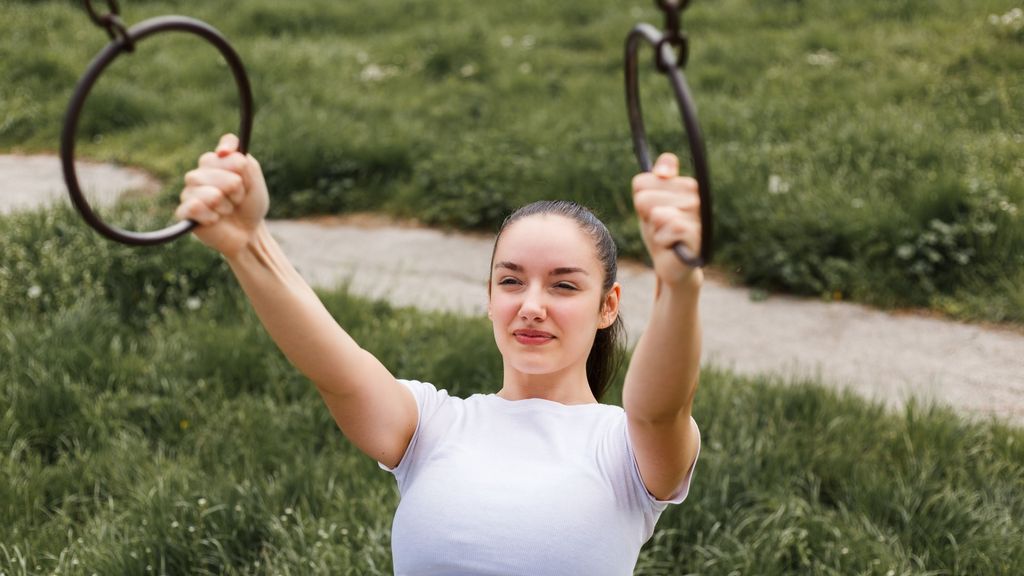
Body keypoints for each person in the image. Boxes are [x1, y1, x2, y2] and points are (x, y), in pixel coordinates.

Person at [175, 134, 703, 575]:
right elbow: (335, 370)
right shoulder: (432, 425)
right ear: (489, 298)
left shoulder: (623, 448)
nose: (532, 306)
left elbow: (659, 409)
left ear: (608, 306)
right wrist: (247, 243)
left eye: (564, 286)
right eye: (511, 281)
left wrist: (678, 284)